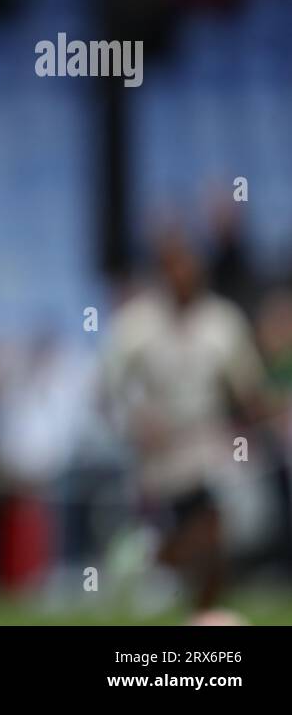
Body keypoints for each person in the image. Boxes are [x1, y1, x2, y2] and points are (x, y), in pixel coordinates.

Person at [101, 230, 267, 620]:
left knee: (215, 532)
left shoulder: (223, 323)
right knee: (187, 543)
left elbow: (247, 392)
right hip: (160, 453)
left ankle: (204, 612)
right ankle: (148, 558)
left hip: (209, 445)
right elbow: (107, 393)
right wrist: (136, 421)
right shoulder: (135, 325)